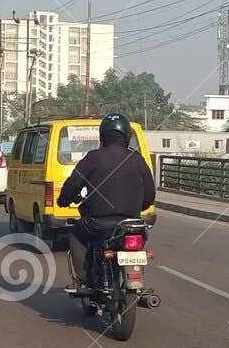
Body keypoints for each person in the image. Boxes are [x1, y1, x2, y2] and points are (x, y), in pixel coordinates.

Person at [56, 113, 155, 293]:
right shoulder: (137, 159)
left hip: (98, 224)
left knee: (75, 236)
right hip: (131, 225)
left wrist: (64, 200)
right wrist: (134, 210)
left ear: (102, 136)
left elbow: (73, 184)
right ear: (127, 136)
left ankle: (83, 281)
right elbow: (150, 196)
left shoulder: (93, 157)